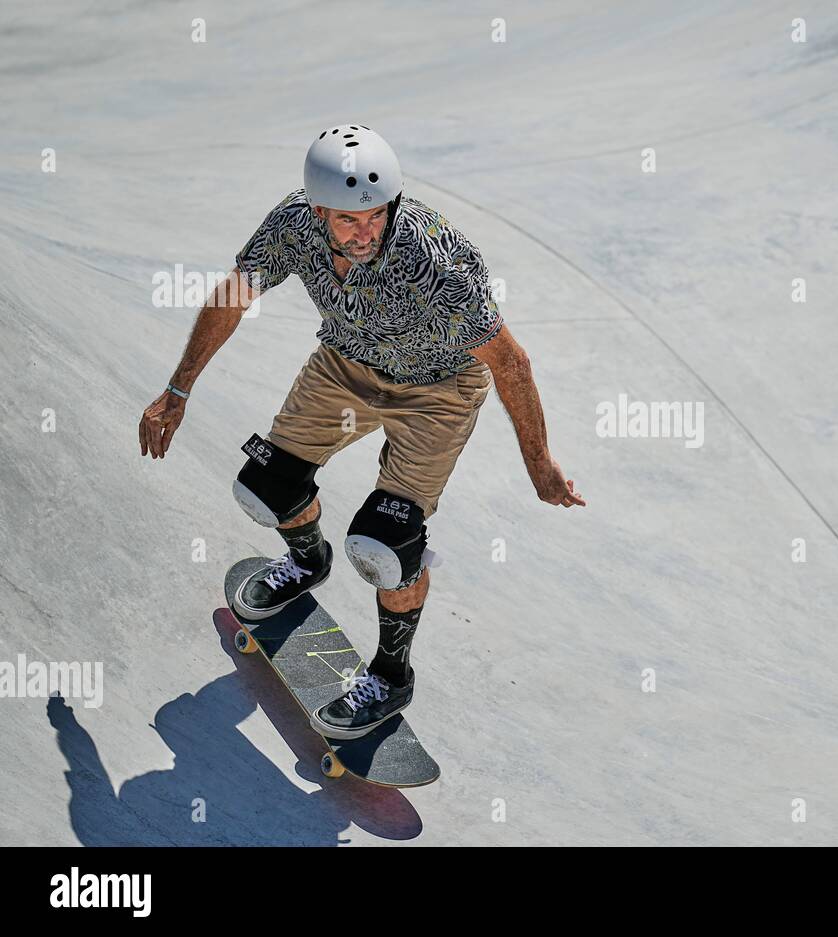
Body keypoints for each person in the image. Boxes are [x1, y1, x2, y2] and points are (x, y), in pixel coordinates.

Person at [138, 124, 584, 739]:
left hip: (438, 391)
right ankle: (306, 560)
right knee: (265, 486)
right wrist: (178, 388)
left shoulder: (435, 259)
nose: (364, 232)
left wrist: (541, 465)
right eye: (347, 220)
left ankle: (391, 676)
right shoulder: (292, 226)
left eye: (376, 215)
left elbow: (510, 362)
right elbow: (234, 296)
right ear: (317, 209)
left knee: (384, 547)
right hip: (345, 367)